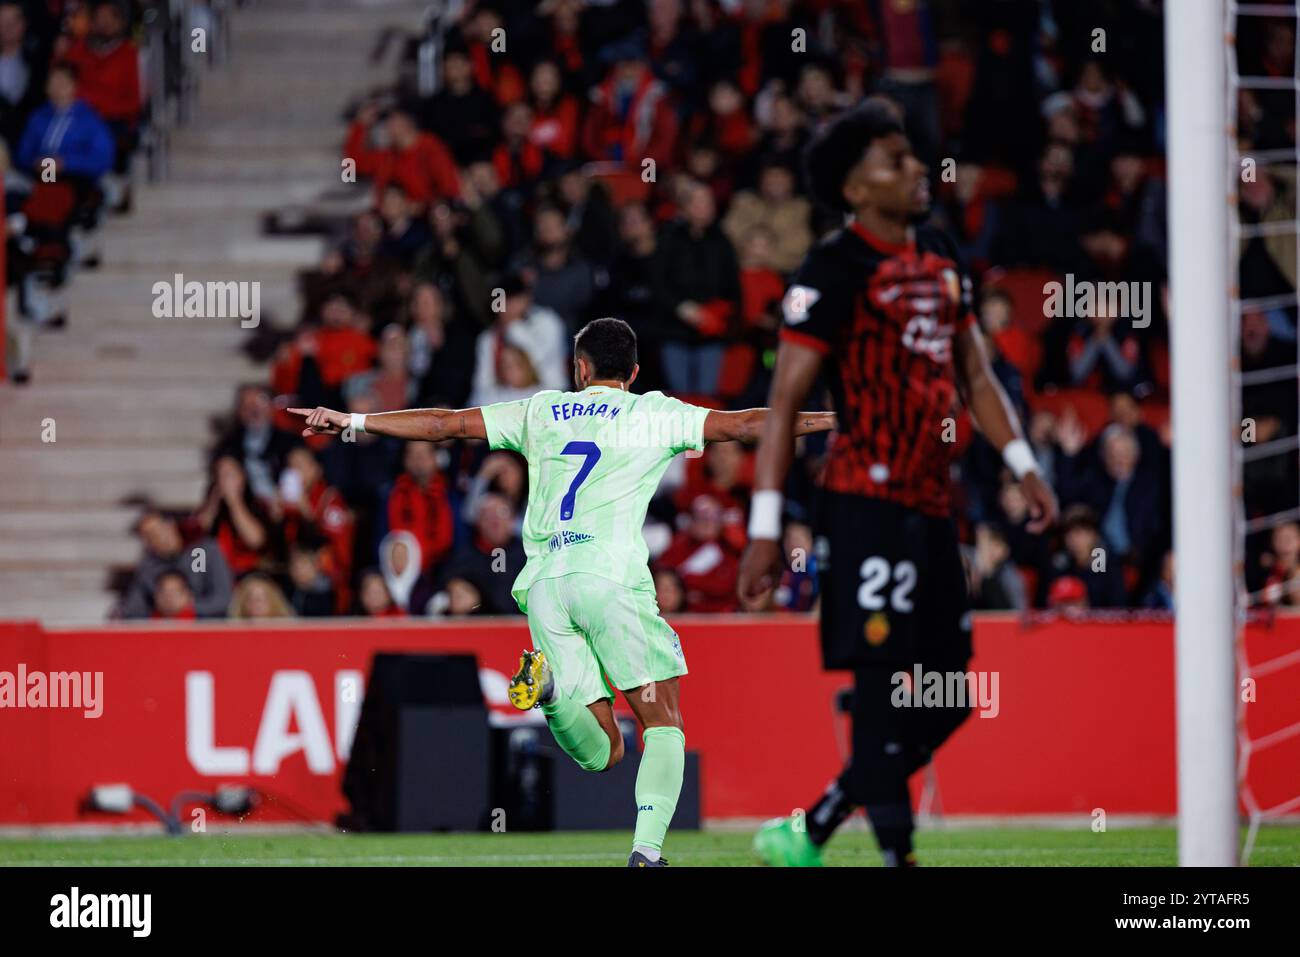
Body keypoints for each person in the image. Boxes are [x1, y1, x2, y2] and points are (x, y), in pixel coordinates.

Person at [290, 316, 834, 866]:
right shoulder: (653, 413)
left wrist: (353, 419)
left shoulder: (542, 410)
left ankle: (548, 691)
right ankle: (646, 854)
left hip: (547, 586)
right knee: (662, 724)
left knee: (604, 752)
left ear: (580, 369)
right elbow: (744, 426)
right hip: (609, 579)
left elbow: (443, 425)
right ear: (635, 372)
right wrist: (837, 421)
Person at [736, 100, 1058, 867]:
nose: (916, 170)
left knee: (951, 689)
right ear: (853, 189)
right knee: (882, 688)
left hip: (929, 508)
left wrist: (1024, 466)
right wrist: (764, 529)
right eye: (892, 160)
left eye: (912, 156)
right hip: (862, 506)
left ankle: (817, 823)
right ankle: (897, 855)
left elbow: (975, 373)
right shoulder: (831, 269)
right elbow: (785, 404)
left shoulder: (944, 254)